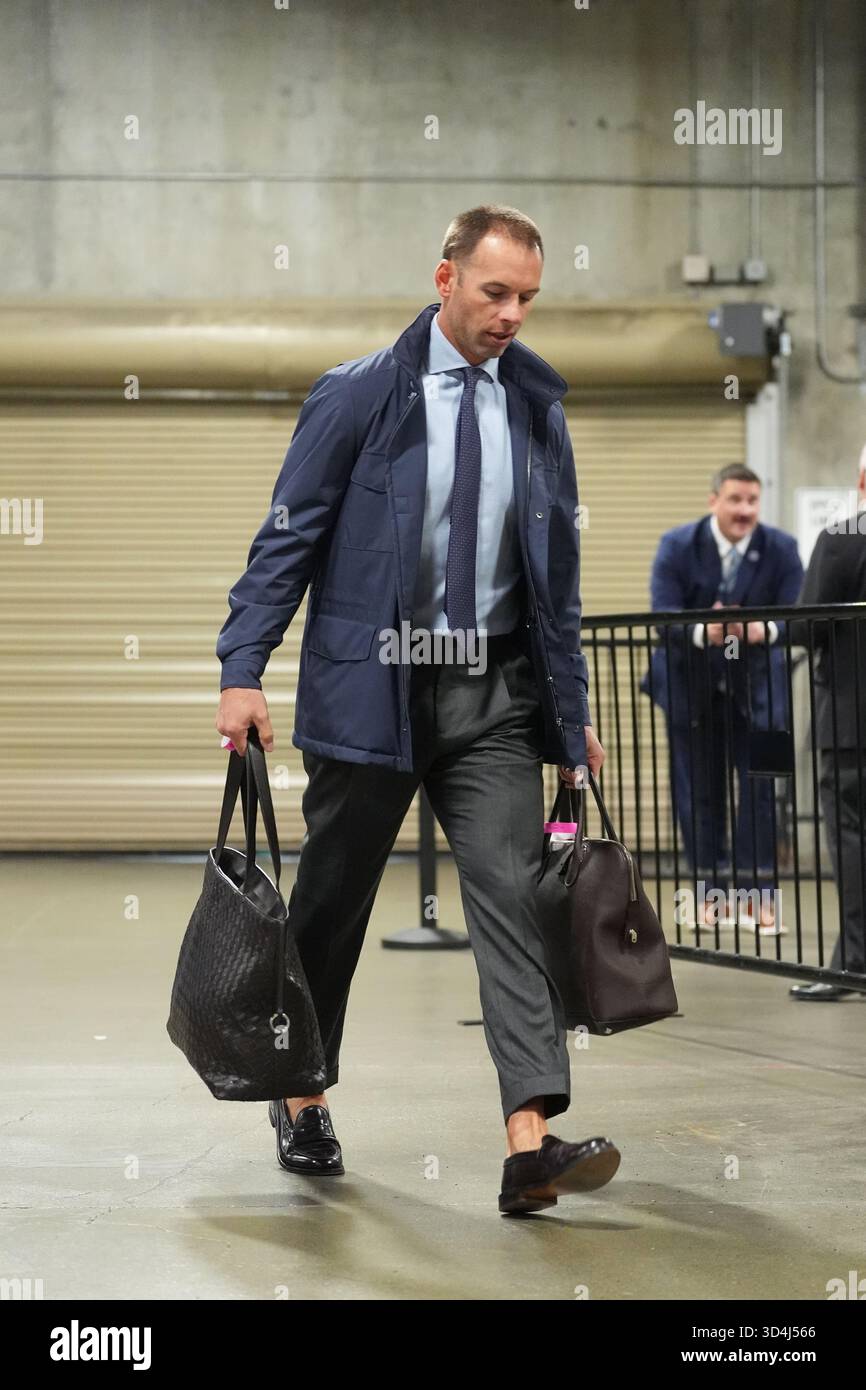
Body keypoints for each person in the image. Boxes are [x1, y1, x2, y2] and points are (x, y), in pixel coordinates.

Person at [215, 204, 620, 1215]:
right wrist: (241, 667)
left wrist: (568, 718)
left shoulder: (536, 409)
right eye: (494, 292)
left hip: (491, 694)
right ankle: (301, 1096)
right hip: (372, 685)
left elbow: (552, 583)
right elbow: (286, 539)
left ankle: (528, 1137)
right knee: (332, 903)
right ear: (443, 278)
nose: (512, 313)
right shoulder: (358, 396)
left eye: (527, 296)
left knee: (512, 897)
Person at [642, 465, 804, 933]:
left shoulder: (783, 549)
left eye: (752, 501)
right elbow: (661, 614)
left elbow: (801, 614)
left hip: (764, 697)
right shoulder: (677, 545)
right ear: (714, 500)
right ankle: (710, 895)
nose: (745, 510)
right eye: (735, 500)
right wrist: (701, 631)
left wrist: (763, 629)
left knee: (763, 792)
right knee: (697, 794)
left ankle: (757, 898)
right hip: (692, 694)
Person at [789, 446, 866, 1001]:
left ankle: (855, 962)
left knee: (852, 836)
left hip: (849, 721)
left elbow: (806, 626)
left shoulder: (843, 538)